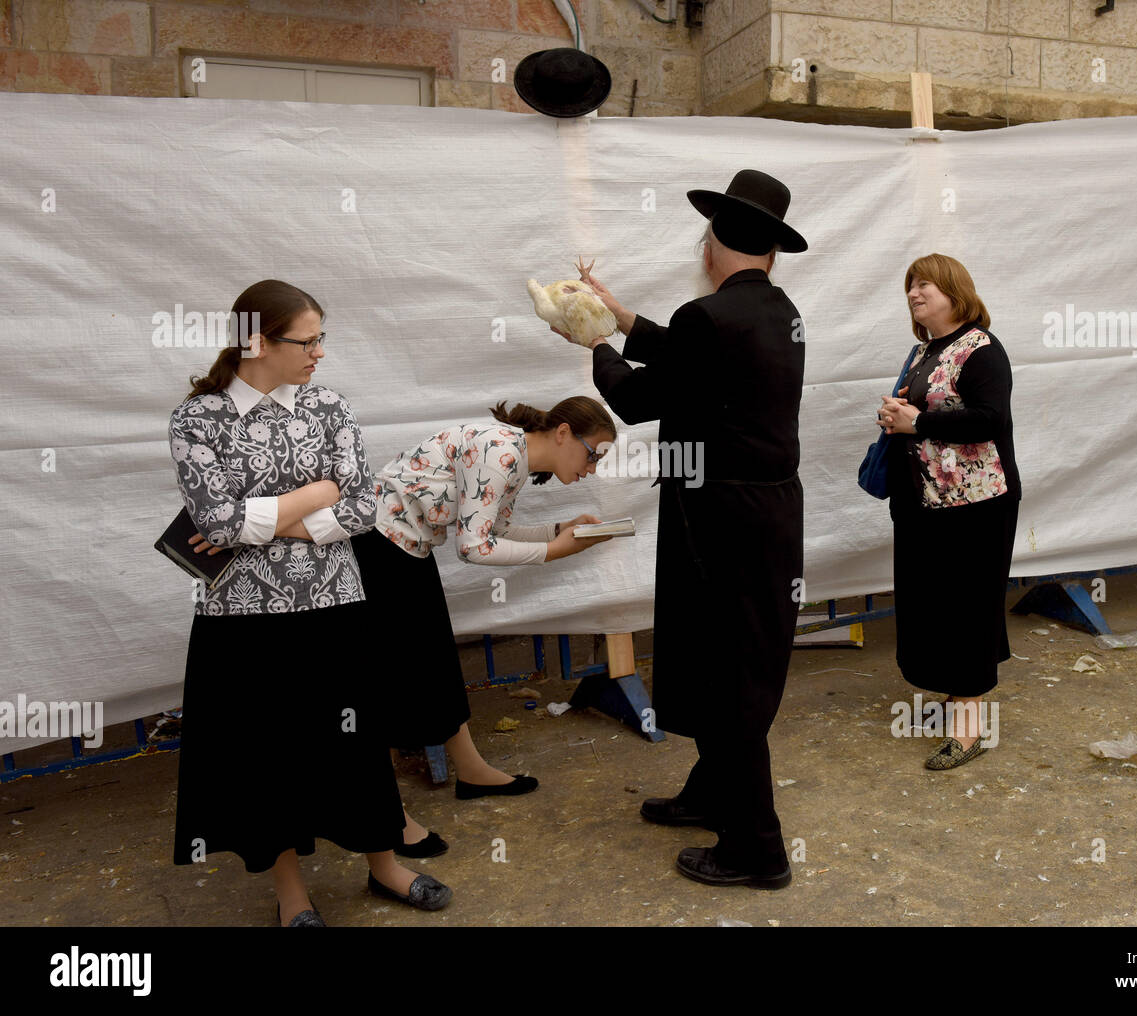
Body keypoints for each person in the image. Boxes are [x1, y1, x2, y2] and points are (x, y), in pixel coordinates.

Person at [556, 169, 809, 890]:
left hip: (722, 521)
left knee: (726, 675)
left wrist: (592, 336)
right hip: (761, 516)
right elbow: (694, 359)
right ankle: (710, 792)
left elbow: (637, 400)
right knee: (717, 657)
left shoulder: (714, 319)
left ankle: (756, 851)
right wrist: (625, 319)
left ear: (712, 243)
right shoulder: (775, 310)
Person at [169, 279, 449, 925]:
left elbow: (359, 507)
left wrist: (272, 517)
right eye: (308, 340)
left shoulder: (328, 406)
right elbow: (214, 523)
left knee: (354, 744)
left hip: (335, 605)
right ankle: (290, 894)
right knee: (266, 758)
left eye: (322, 338)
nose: (319, 352)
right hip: (240, 619)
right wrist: (311, 494)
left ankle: (385, 867)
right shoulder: (197, 418)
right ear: (257, 341)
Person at [354, 397, 617, 857]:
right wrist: (555, 551)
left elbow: (496, 531)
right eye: (593, 453)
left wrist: (561, 528)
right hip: (377, 546)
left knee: (436, 660)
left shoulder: (512, 457)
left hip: (402, 545)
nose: (592, 467)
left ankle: (471, 771)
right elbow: (474, 549)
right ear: (561, 434)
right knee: (383, 683)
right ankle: (385, 818)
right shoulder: (503, 452)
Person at [876, 253, 1022, 770]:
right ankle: (956, 698)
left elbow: (988, 419)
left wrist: (918, 421)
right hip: (924, 503)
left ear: (955, 291)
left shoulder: (981, 348)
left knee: (967, 606)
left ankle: (970, 727)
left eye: (926, 286)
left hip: (975, 507)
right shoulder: (923, 351)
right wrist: (897, 416)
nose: (915, 294)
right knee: (932, 604)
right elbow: (923, 416)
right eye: (910, 286)